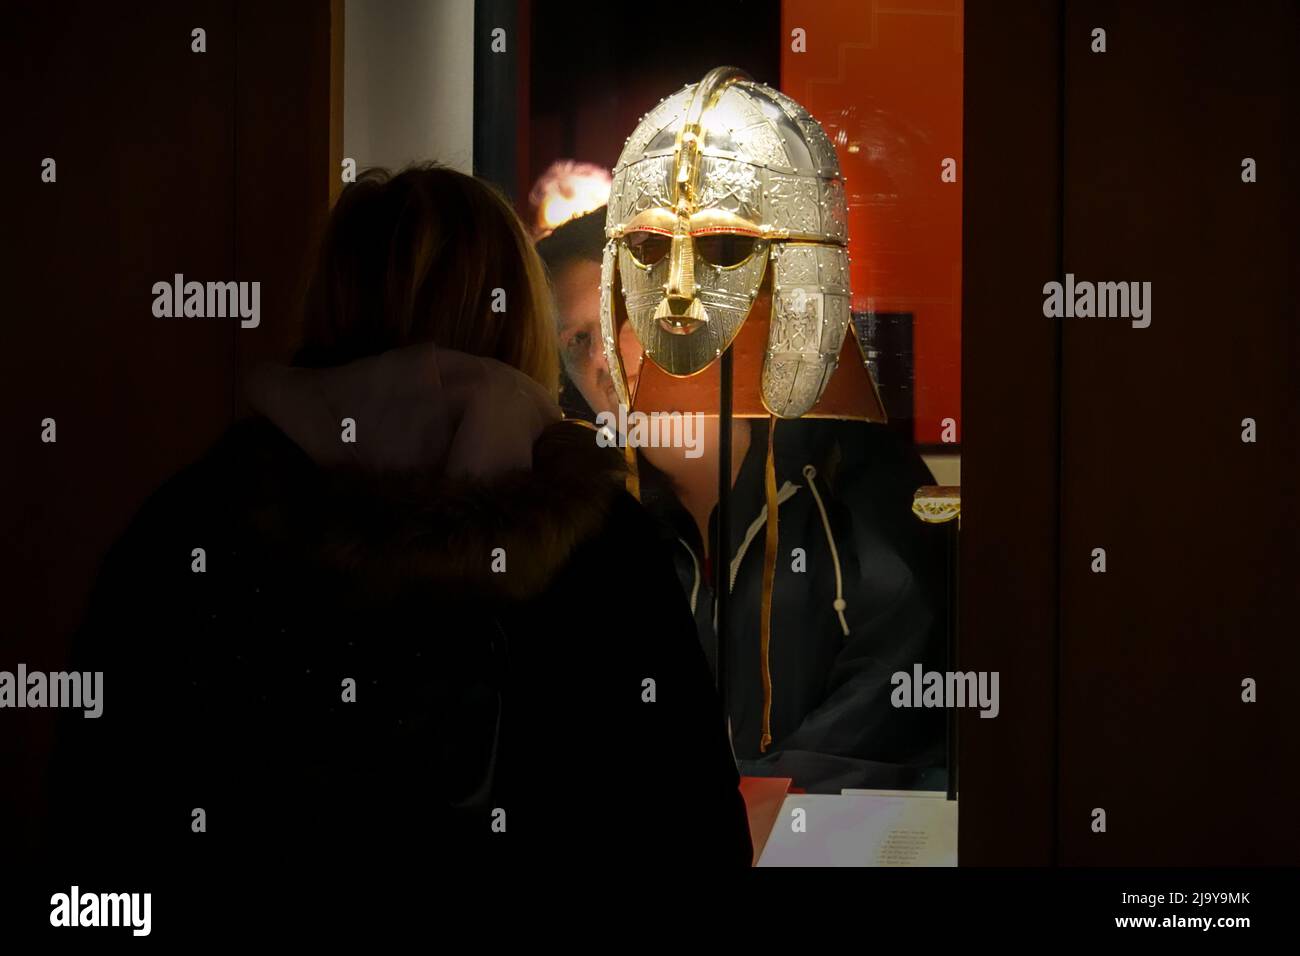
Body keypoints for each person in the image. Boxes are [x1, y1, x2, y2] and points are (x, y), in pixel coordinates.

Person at [45, 165, 752, 879]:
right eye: (576, 338)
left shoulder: (190, 530)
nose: (600, 359)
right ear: (523, 322)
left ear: (327, 305)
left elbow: (93, 828)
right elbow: (700, 841)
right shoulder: (601, 546)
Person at [540, 206, 947, 794]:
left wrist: (745, 805)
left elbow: (900, 691)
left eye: (616, 320)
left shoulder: (846, 472)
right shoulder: (603, 531)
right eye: (578, 342)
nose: (602, 360)